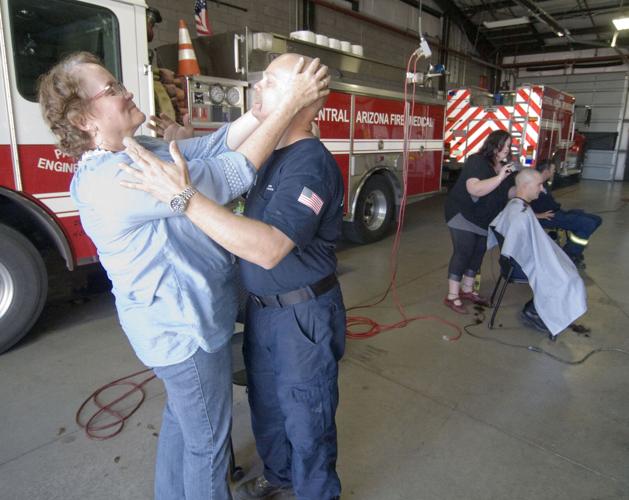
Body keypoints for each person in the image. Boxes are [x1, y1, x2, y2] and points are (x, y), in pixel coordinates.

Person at [38, 51, 329, 500]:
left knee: (184, 419)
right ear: (82, 119)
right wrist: (286, 107)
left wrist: (257, 115)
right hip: (184, 330)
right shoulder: (114, 178)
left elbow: (210, 149)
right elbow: (224, 176)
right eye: (112, 89)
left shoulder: (136, 151)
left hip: (179, 323)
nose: (127, 90)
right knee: (208, 446)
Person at [119, 53, 346, 500]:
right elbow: (221, 161)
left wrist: (182, 197)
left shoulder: (310, 163)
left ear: (301, 99)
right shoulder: (266, 157)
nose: (256, 89)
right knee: (266, 409)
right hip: (263, 315)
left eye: (270, 83)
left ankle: (317, 493)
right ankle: (280, 479)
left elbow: (268, 248)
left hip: (303, 317)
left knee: (307, 420)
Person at [488, 168, 587, 337]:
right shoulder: (520, 214)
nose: (542, 189)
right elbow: (521, 249)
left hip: (514, 262)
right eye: (539, 185)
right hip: (519, 265)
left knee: (566, 268)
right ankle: (534, 312)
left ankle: (539, 308)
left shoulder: (517, 208)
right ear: (526, 186)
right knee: (569, 279)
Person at [443, 130, 516, 314]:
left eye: (509, 146)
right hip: (462, 213)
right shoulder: (477, 162)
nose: (507, 149)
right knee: (464, 251)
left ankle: (467, 290)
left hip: (483, 218)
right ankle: (452, 296)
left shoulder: (505, 168)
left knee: (478, 252)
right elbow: (474, 189)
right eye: (504, 145)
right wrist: (499, 177)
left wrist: (526, 187)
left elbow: (507, 193)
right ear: (493, 145)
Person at [531, 161, 602, 269]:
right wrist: (537, 215)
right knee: (588, 224)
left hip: (557, 212)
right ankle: (571, 254)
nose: (554, 172)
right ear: (546, 171)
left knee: (597, 219)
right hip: (548, 217)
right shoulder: (532, 184)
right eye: (553, 170)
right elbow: (521, 204)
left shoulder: (544, 183)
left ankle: (573, 246)